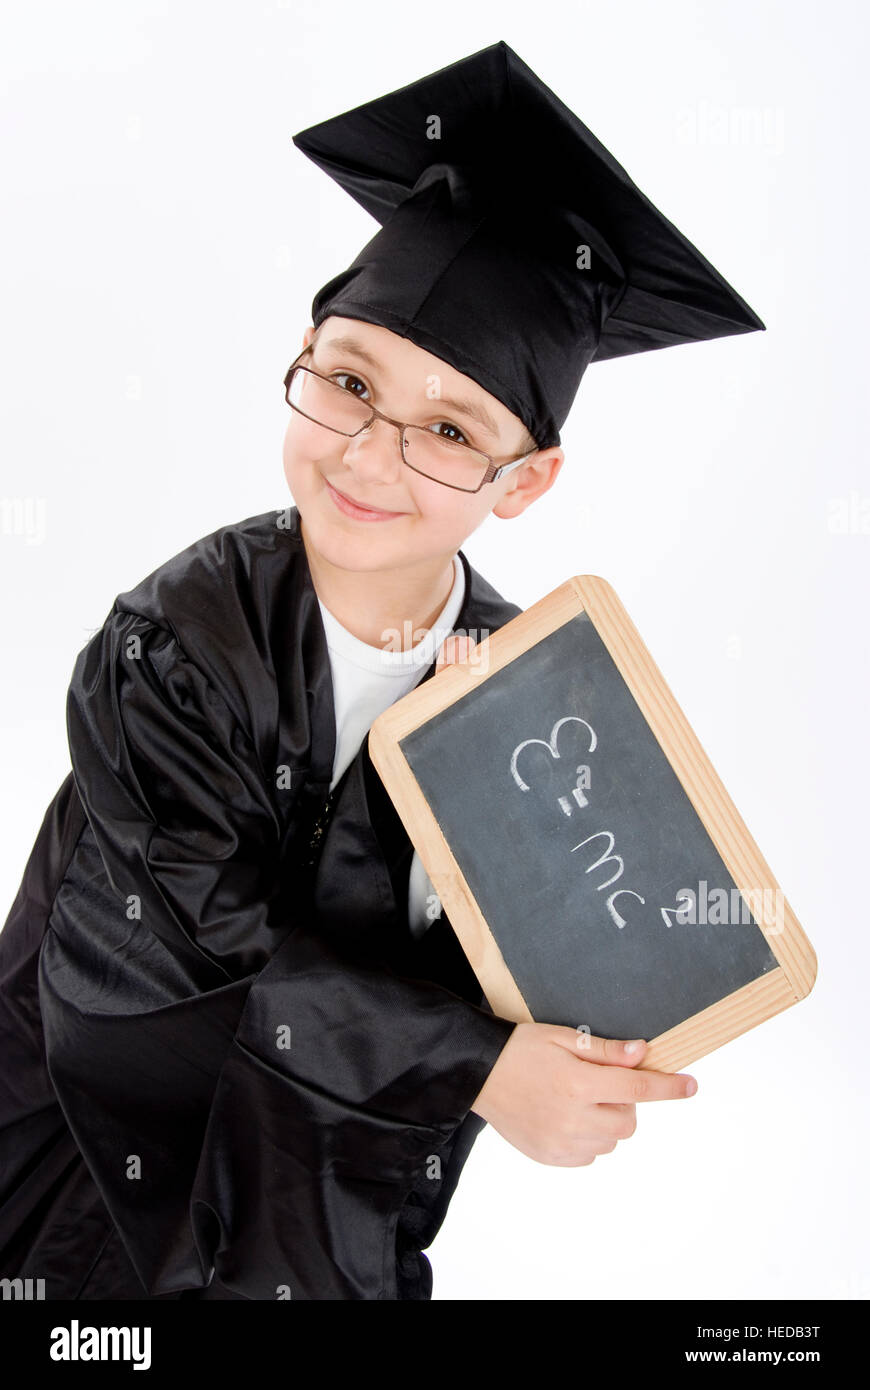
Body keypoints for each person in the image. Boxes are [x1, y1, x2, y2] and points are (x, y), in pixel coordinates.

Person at [0, 41, 762, 1300]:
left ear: (526, 481)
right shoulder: (172, 647)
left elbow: (563, 926)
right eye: (350, 381)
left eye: (451, 428)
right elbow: (190, 944)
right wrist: (477, 1066)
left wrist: (598, 1032)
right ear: (303, 355)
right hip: (94, 1180)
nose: (368, 454)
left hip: (338, 1206)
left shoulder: (536, 690)